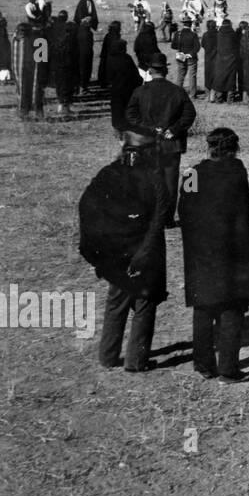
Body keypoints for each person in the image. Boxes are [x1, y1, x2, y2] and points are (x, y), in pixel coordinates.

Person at [178, 128, 249, 383]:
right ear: (234, 148)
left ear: (209, 147)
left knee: (203, 307)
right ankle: (228, 369)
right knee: (231, 308)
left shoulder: (192, 173)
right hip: (232, 252)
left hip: (200, 252)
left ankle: (203, 364)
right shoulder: (237, 171)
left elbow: (184, 208)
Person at [80, 140, 169, 372]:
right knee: (145, 302)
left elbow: (86, 206)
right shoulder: (154, 179)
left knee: (116, 300)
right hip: (146, 253)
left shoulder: (107, 175)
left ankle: (107, 357)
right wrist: (143, 254)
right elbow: (159, 220)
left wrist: (97, 249)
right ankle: (136, 361)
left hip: (116, 252)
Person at [124, 51, 197, 219]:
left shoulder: (140, 92)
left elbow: (130, 116)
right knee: (170, 181)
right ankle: (167, 218)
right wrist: (174, 130)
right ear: (166, 71)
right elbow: (189, 114)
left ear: (149, 71)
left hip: (147, 143)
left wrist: (149, 128)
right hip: (171, 145)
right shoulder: (177, 91)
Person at [170, 15, 201, 96]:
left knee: (180, 75)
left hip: (180, 56)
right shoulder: (193, 34)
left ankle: (177, 93)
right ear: (190, 24)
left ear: (183, 24)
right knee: (192, 76)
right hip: (191, 57)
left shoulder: (178, 34)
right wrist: (190, 54)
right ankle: (192, 94)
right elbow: (197, 47)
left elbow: (173, 46)